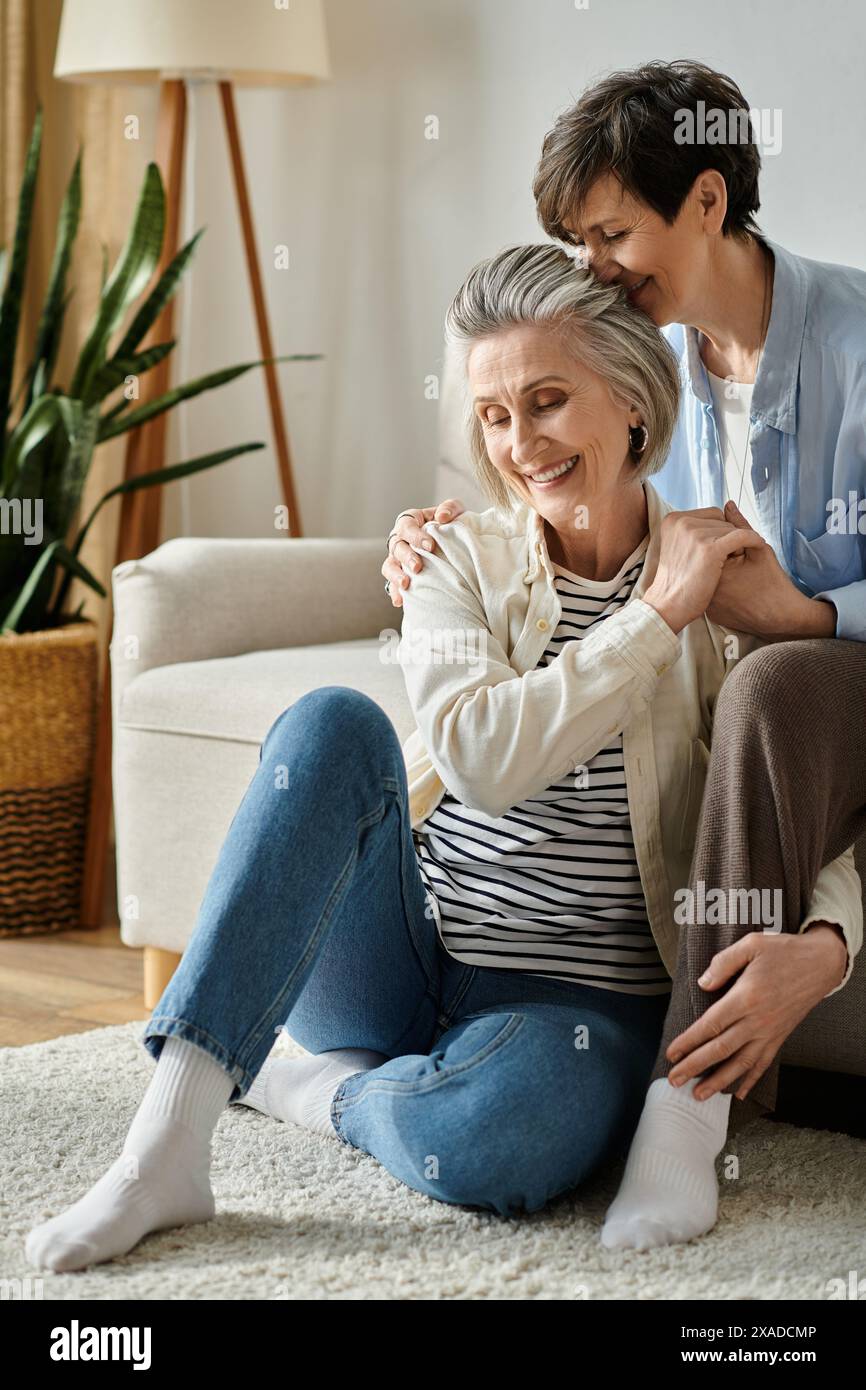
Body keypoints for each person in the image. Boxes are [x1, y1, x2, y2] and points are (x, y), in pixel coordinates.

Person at [25, 244, 860, 1272]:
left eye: (548, 400)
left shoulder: (718, 583)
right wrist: (647, 618)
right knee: (329, 723)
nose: (520, 443)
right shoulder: (456, 557)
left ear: (633, 404)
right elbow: (477, 758)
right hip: (399, 955)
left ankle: (309, 1085)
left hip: (580, 1004)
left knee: (487, 1147)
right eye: (496, 415)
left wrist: (833, 931)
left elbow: (796, 797)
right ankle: (163, 1144)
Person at [382, 61, 866, 1237]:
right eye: (573, 240)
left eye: (609, 235)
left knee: (773, 677)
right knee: (740, 686)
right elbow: (575, 515)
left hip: (825, 685)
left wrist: (802, 616)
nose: (590, 269)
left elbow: (763, 631)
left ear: (707, 200)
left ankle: (683, 1111)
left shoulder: (855, 341)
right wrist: (438, 539)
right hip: (747, 719)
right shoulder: (654, 381)